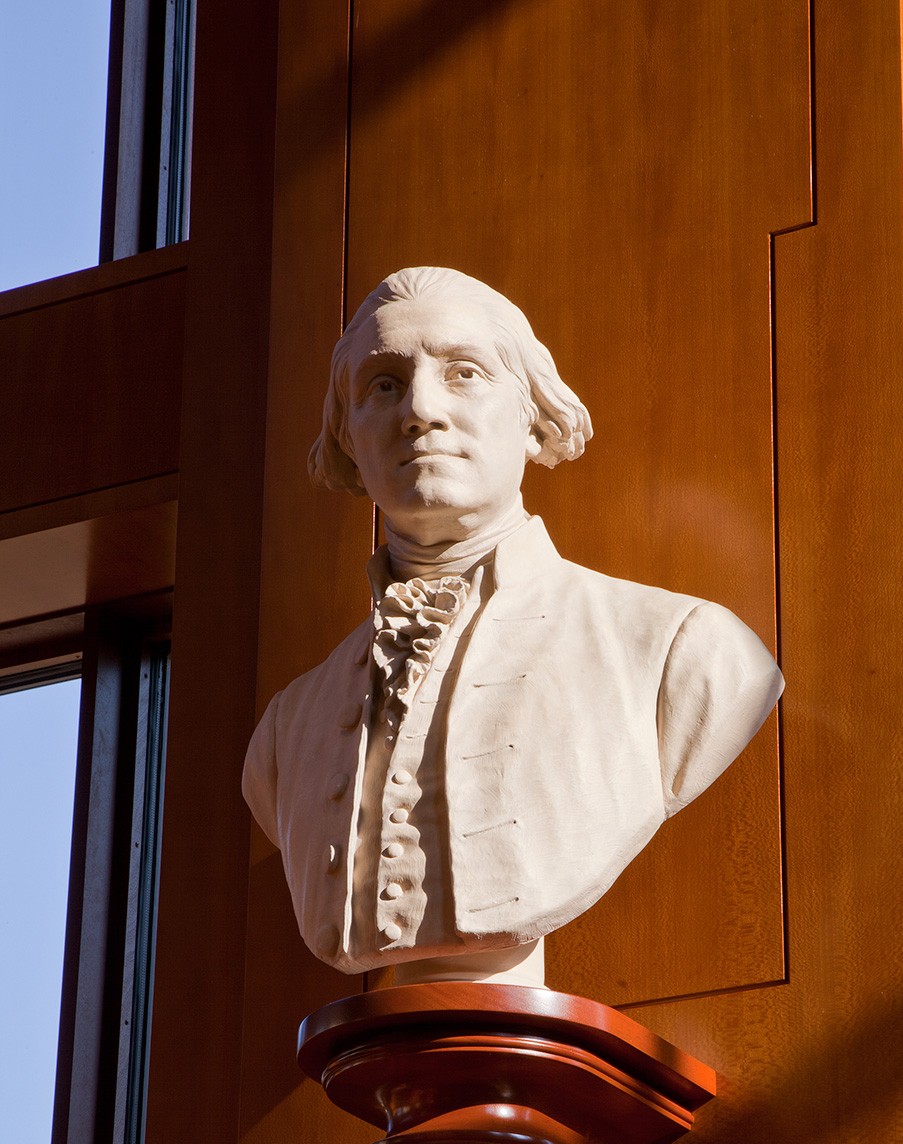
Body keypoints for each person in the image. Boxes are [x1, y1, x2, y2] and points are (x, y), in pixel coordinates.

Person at [243, 267, 783, 987]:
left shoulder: (689, 652)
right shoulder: (284, 736)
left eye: (463, 373)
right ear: (347, 434)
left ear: (531, 414)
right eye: (384, 385)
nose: (420, 409)